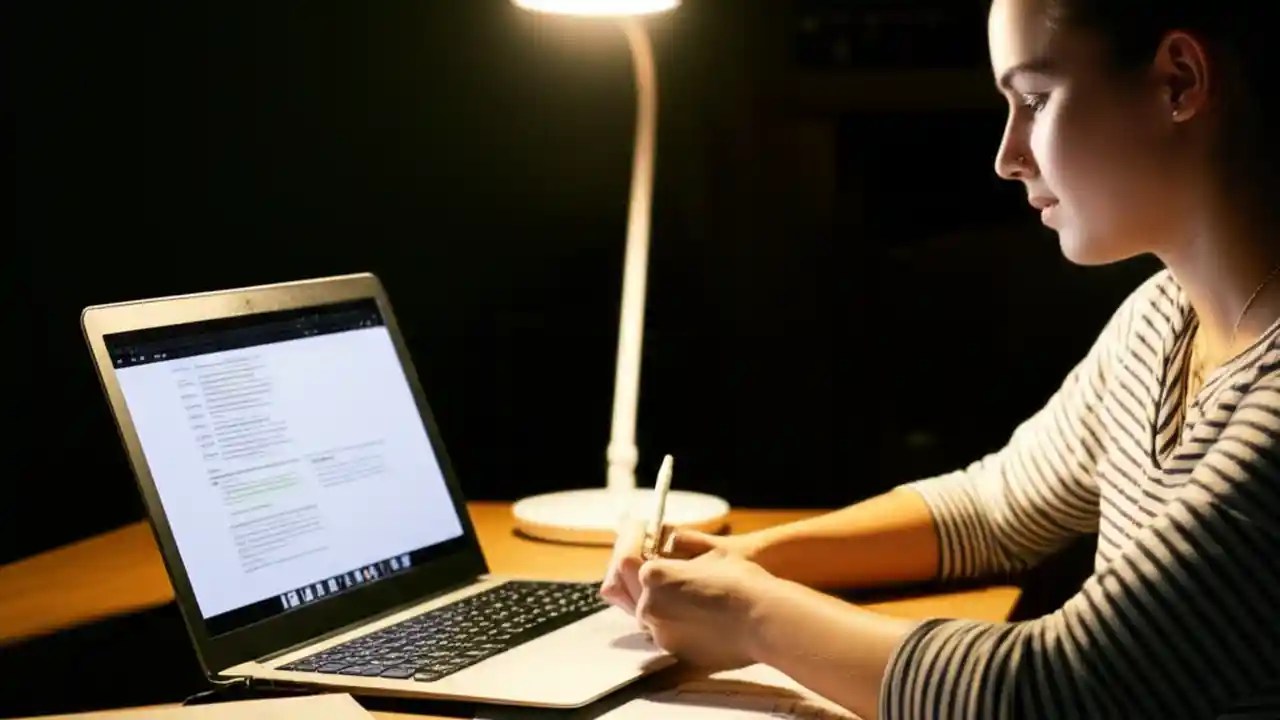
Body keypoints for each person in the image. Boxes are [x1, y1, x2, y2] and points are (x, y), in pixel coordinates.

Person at [599, 0, 1280, 718]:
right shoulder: (1161, 318)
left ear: (1179, 82)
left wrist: (751, 616)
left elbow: (1057, 693)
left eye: (1036, 99)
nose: (1008, 156)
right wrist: (744, 560)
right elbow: (992, 508)